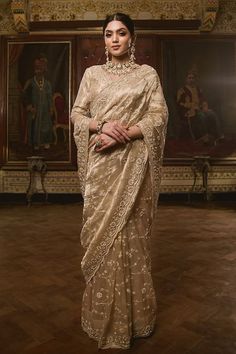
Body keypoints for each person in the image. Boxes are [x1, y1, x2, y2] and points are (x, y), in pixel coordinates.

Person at [71, 13, 168, 349]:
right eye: (109, 34)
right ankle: (104, 320)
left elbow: (159, 115)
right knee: (105, 241)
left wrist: (124, 133)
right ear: (103, 39)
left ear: (132, 38)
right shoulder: (92, 75)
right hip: (102, 171)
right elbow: (77, 113)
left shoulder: (147, 75)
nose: (114, 39)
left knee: (132, 239)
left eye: (121, 33)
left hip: (134, 168)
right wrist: (100, 125)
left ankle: (136, 319)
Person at [177, 71, 222, 143]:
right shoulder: (182, 90)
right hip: (189, 111)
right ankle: (204, 137)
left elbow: (203, 99)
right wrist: (190, 106)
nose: (191, 80)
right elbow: (180, 103)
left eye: (193, 78)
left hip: (200, 109)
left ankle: (218, 135)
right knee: (201, 116)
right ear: (186, 79)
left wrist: (205, 106)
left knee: (212, 114)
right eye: (189, 78)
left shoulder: (198, 89)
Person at [23, 55, 54, 150]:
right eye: (37, 69)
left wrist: (51, 108)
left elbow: (49, 97)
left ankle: (46, 142)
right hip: (34, 109)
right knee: (35, 126)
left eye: (41, 69)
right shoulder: (30, 82)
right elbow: (24, 95)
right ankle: (35, 143)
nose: (39, 71)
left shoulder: (48, 83)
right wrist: (29, 106)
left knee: (46, 125)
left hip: (45, 110)